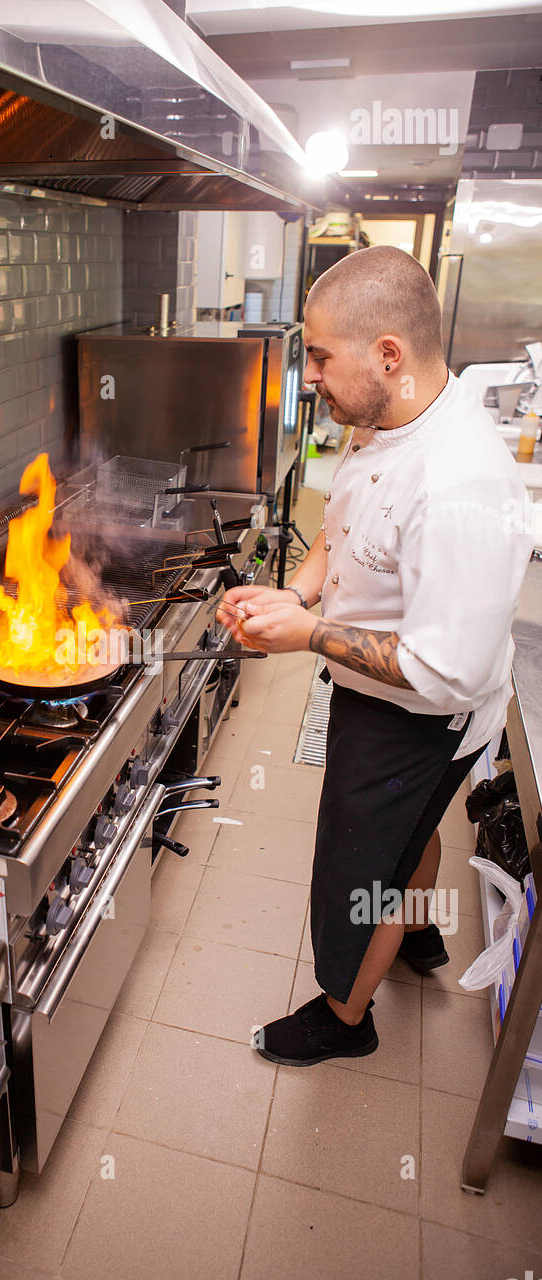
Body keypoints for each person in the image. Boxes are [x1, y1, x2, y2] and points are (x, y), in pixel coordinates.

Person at [218, 244, 532, 1066]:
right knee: (408, 836)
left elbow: (444, 669)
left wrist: (308, 636)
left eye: (320, 356)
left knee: (362, 868)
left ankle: (345, 1019)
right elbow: (341, 527)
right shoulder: (383, 417)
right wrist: (300, 593)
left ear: (386, 354)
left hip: (417, 717)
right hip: (376, 690)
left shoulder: (461, 483)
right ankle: (421, 936)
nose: (310, 375)